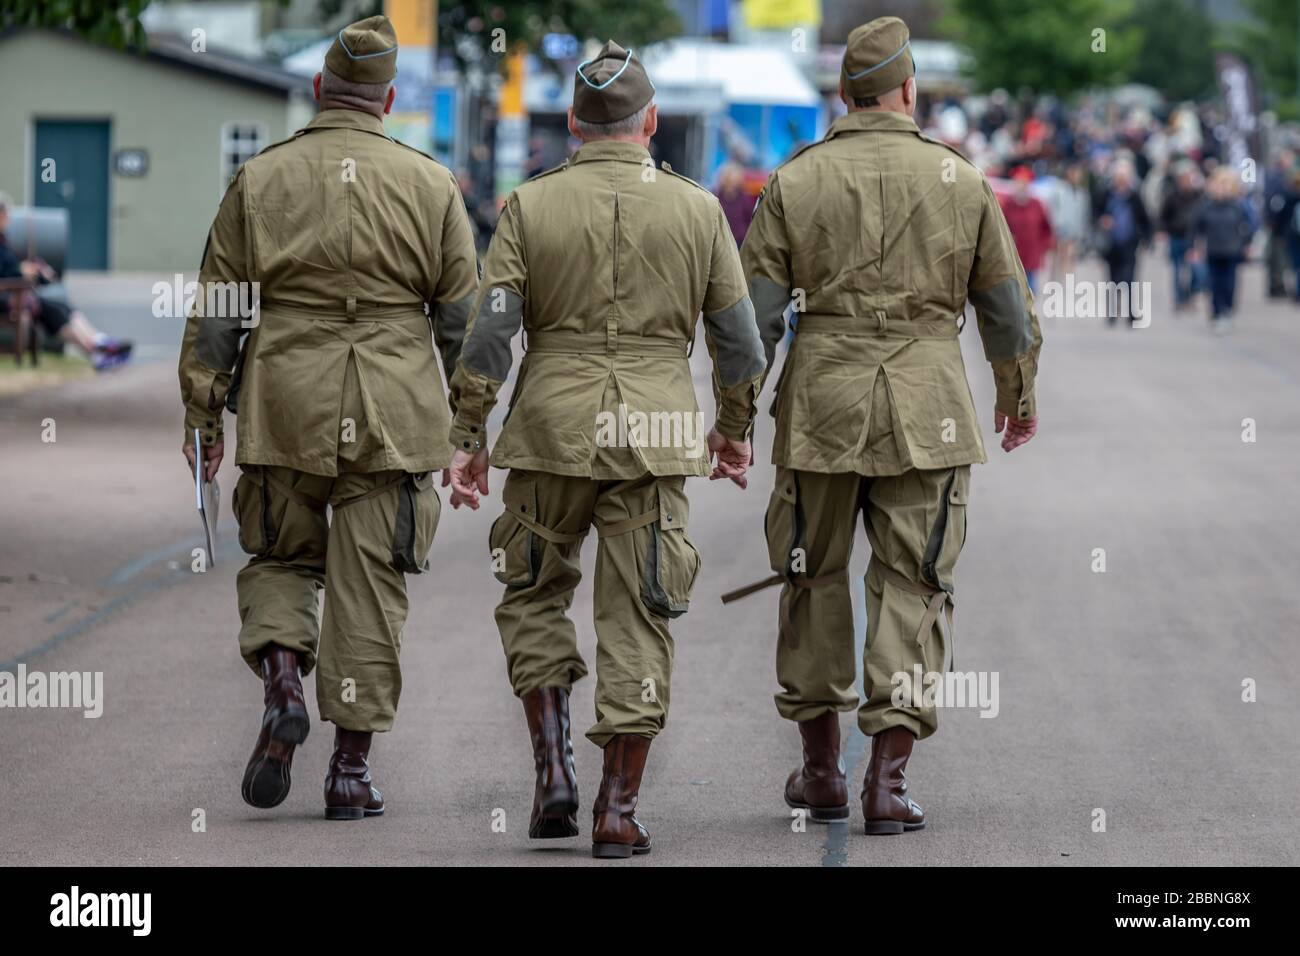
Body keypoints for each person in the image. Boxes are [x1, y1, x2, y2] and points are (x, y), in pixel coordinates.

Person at [445, 41, 764, 859]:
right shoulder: (697, 210)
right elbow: (738, 338)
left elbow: (491, 329)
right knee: (642, 615)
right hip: (654, 436)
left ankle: (553, 768)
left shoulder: (530, 206)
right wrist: (733, 428)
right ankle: (616, 811)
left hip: (551, 428)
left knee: (530, 593)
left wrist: (468, 436)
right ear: (650, 122)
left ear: (573, 125)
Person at [733, 16, 1041, 836]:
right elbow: (1007, 311)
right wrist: (1017, 398)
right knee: (915, 584)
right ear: (908, 89)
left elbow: (753, 319)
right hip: (928, 404)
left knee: (808, 577)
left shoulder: (795, 181)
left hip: (821, 404)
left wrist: (735, 422)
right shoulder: (959, 179)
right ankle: (888, 785)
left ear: (845, 93)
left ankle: (824, 773)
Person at [176, 16, 479, 820]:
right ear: (387, 99)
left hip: (285, 401)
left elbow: (220, 310)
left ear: (318, 90)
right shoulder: (432, 184)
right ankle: (349, 773)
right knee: (371, 587)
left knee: (278, 556)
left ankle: (283, 685)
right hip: (393, 408)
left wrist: (205, 417)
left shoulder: (260, 178)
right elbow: (460, 319)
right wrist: (458, 420)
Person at [0, 192, 133, 369]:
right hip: (7, 297)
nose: (8, 218)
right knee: (50, 310)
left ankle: (98, 342)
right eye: (6, 214)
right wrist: (23, 272)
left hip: (16, 293)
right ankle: (96, 350)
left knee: (62, 308)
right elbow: (8, 273)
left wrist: (35, 272)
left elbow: (13, 269)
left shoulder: (3, 242)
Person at [1194, 166, 1254, 332]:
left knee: (1229, 283)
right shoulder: (1207, 206)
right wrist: (1196, 246)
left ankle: (1226, 310)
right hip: (1213, 250)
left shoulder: (1238, 206)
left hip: (1232, 250)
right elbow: (1197, 227)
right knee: (1213, 283)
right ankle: (1217, 311)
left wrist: (1247, 244)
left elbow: (1248, 226)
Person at [1096, 159, 1152, 326]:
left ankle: (1130, 312)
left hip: (1129, 241)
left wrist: (1147, 238)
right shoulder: (1106, 193)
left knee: (1129, 278)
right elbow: (1096, 211)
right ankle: (1112, 312)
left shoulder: (1135, 196)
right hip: (1111, 242)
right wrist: (1102, 220)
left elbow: (1144, 218)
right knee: (1112, 279)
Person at [1159, 161, 1206, 311]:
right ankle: (1179, 299)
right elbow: (1163, 215)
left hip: (1192, 239)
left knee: (1196, 271)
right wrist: (1163, 230)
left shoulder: (1198, 196)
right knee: (1177, 270)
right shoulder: (1172, 196)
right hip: (1176, 236)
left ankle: (1190, 295)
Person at [999, 166, 1053, 292]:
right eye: (1019, 182)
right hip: (1013, 256)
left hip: (1032, 255)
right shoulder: (1008, 205)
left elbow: (1046, 229)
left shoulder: (1037, 204)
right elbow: (1000, 228)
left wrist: (1043, 248)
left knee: (1030, 289)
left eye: (1024, 183)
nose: (1021, 186)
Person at [716, 162, 755, 245]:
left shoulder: (744, 199)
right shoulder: (715, 197)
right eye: (727, 179)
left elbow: (750, 220)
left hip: (739, 242)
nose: (730, 183)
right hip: (720, 240)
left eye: (732, 180)